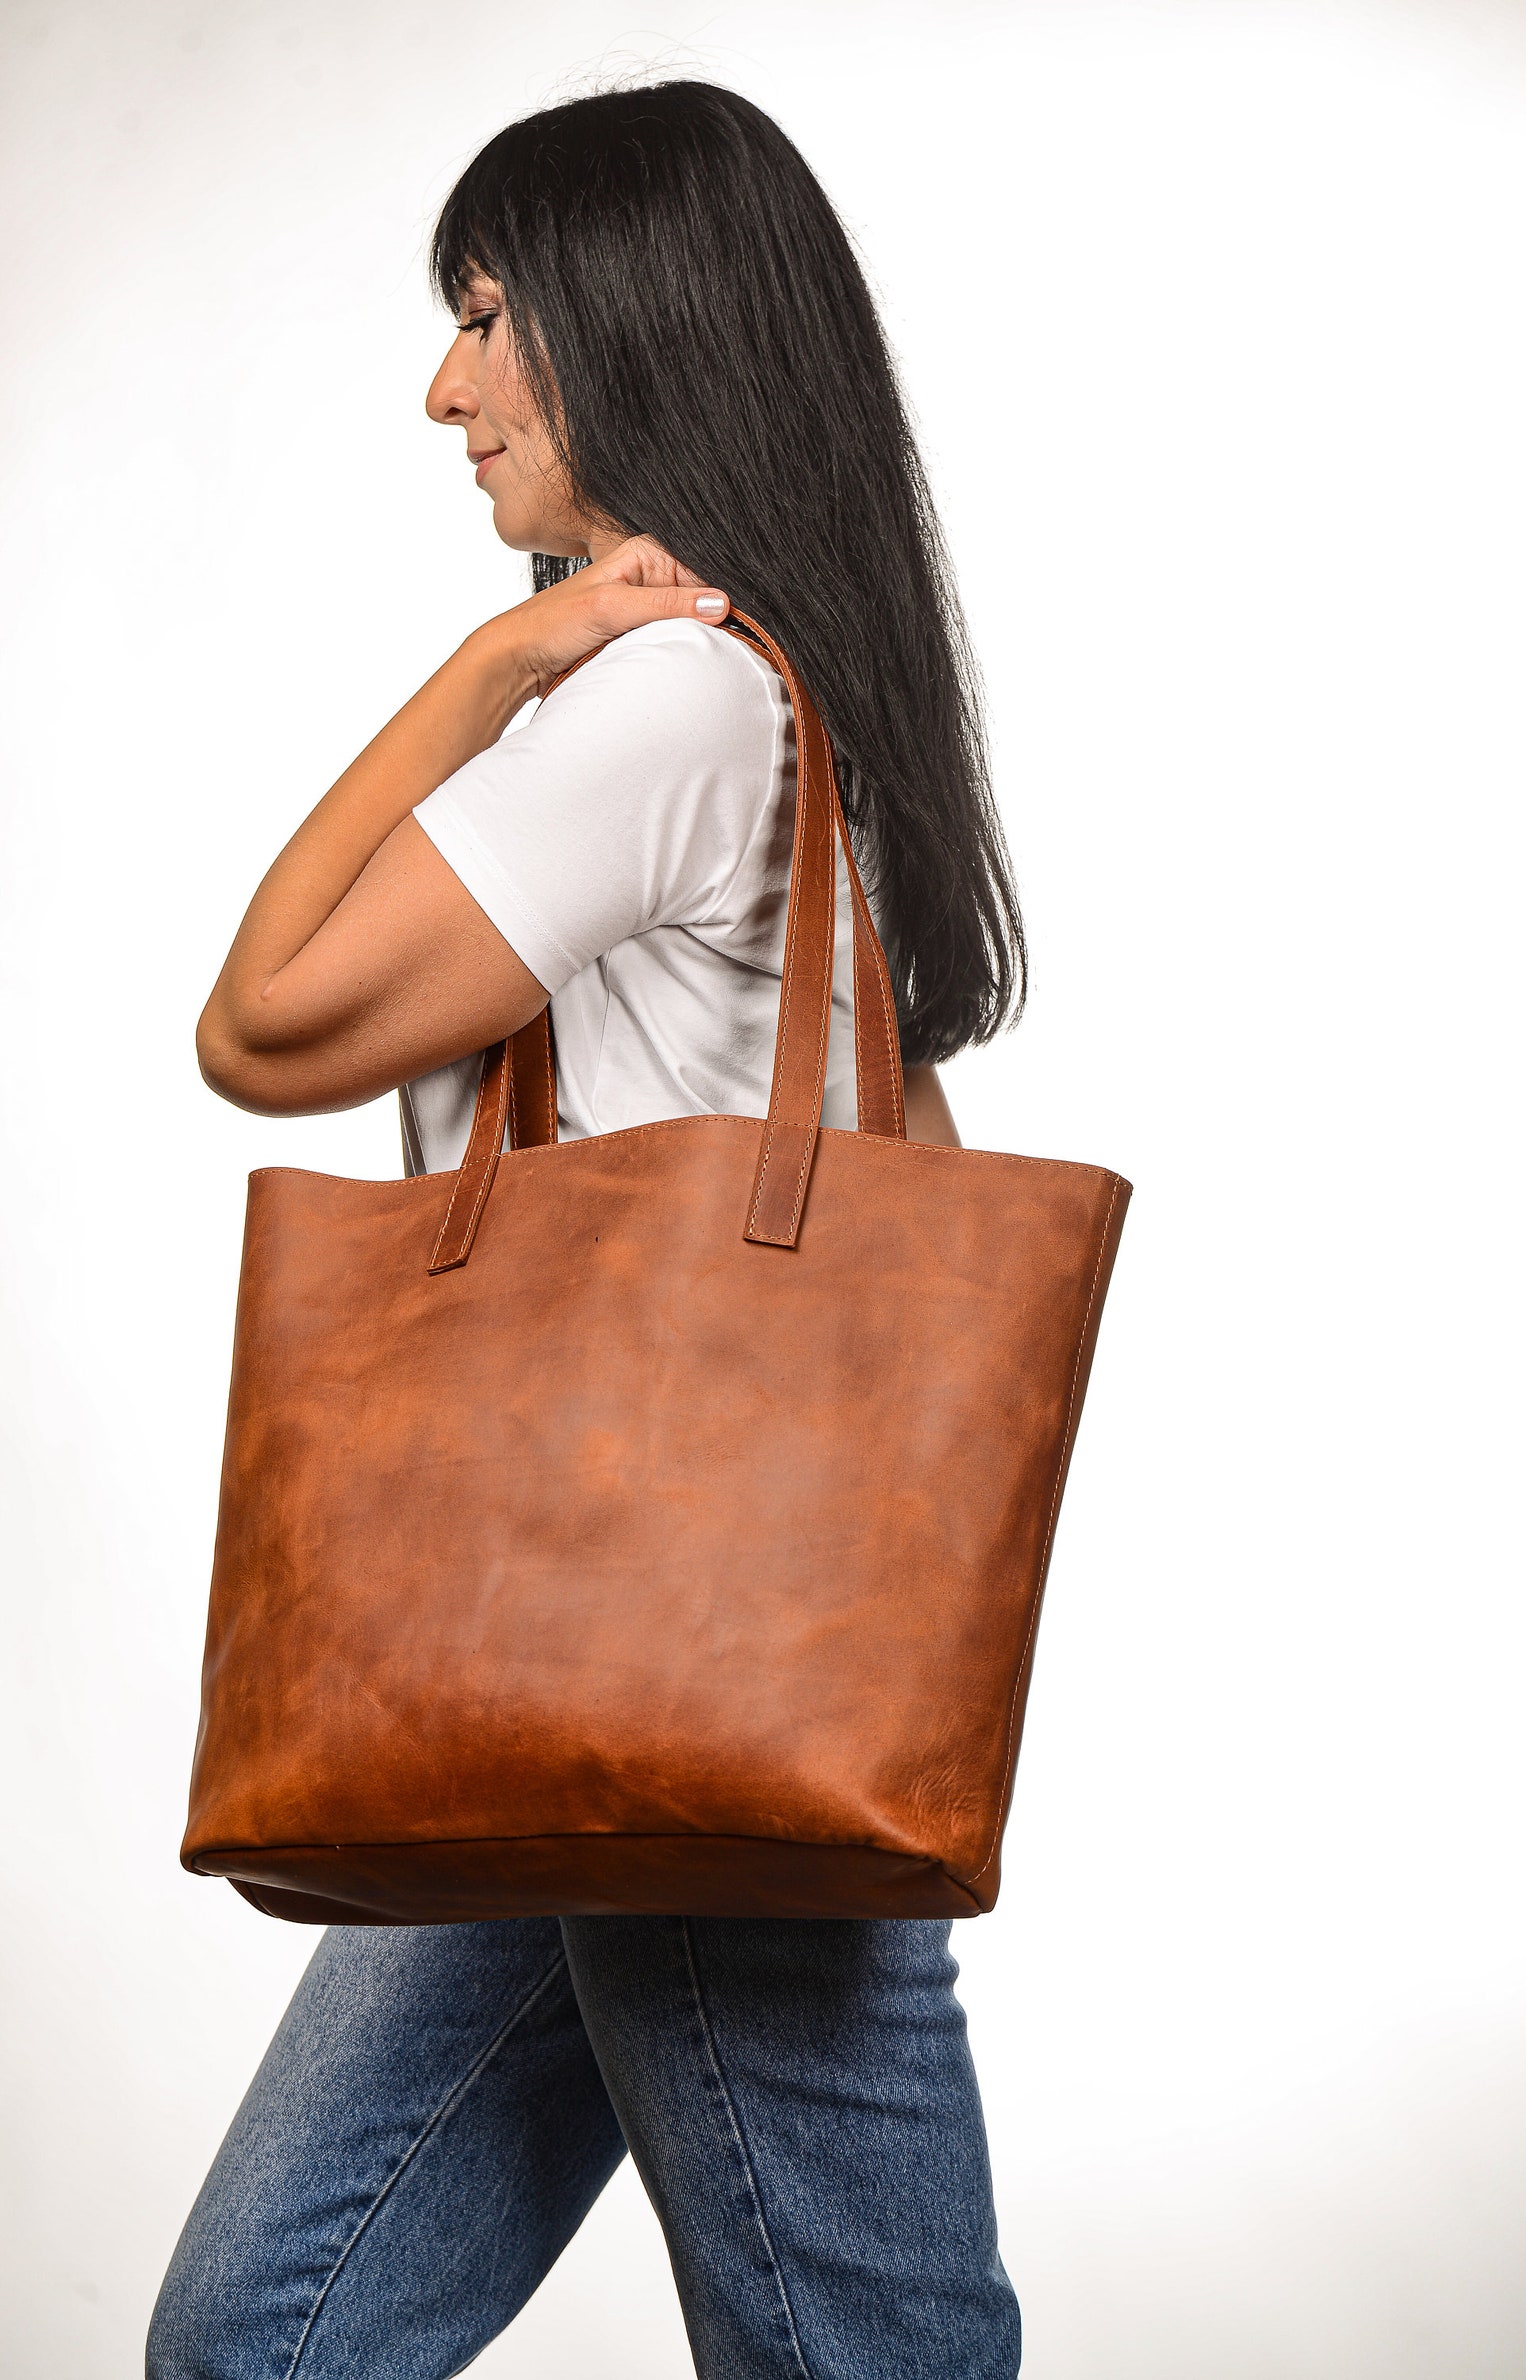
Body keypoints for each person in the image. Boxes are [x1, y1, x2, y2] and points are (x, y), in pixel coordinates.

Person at [148, 79, 1028, 2380]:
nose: (443, 388)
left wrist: (482, 671)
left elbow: (262, 1023)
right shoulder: (777, 683)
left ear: (629, 320)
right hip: (580, 1671)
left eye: (482, 314)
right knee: (262, 2330)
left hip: (670, 1679)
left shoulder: (658, 689)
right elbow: (889, 1136)